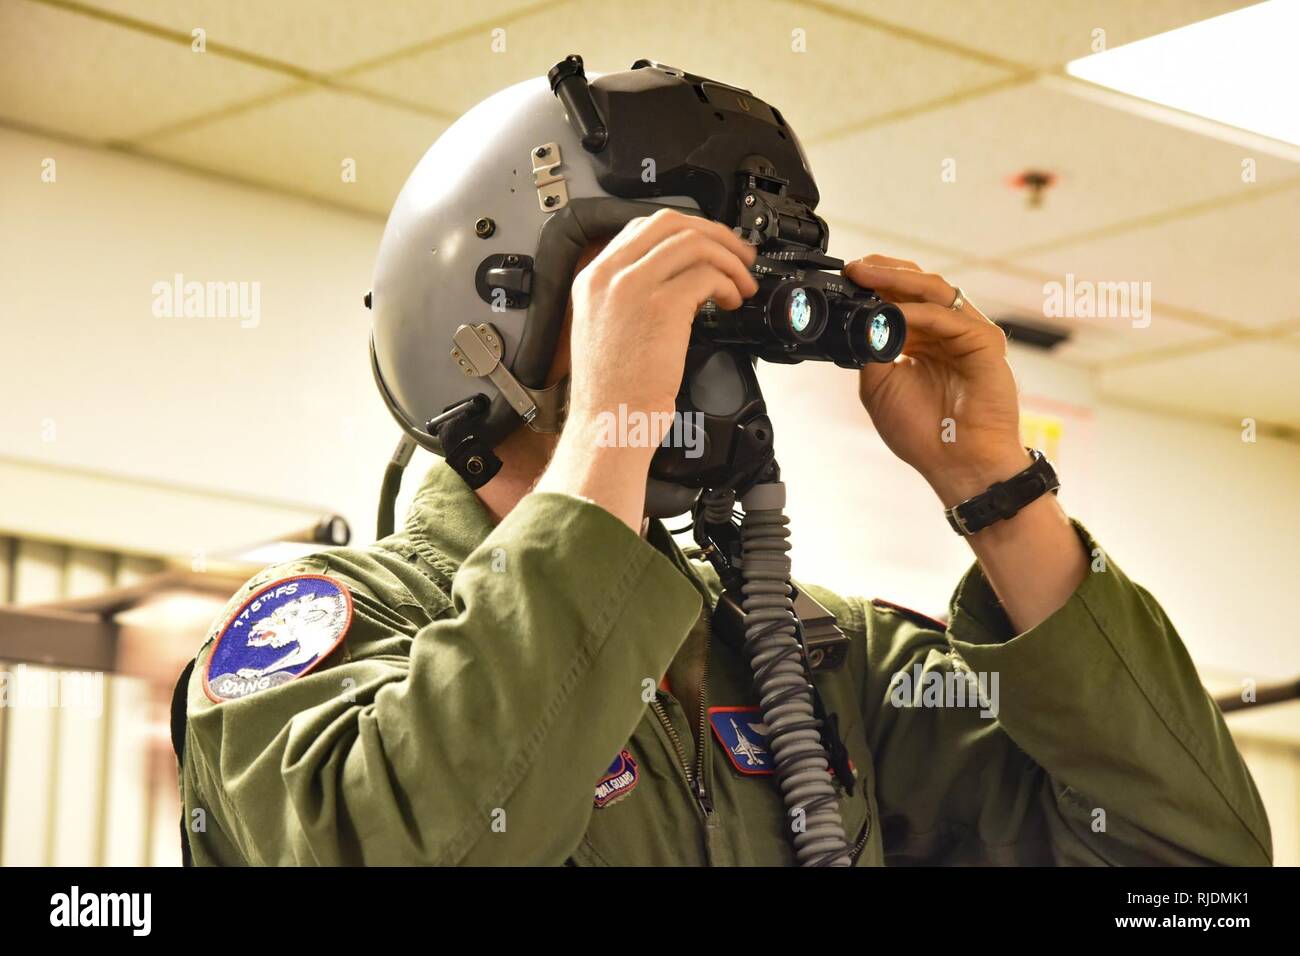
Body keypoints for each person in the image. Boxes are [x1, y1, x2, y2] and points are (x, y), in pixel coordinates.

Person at [172, 58, 1270, 867]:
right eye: (654, 293)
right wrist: (606, 436)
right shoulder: (323, 636)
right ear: (487, 319)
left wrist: (995, 489)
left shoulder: (827, 660)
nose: (705, 343)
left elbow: (1194, 861)